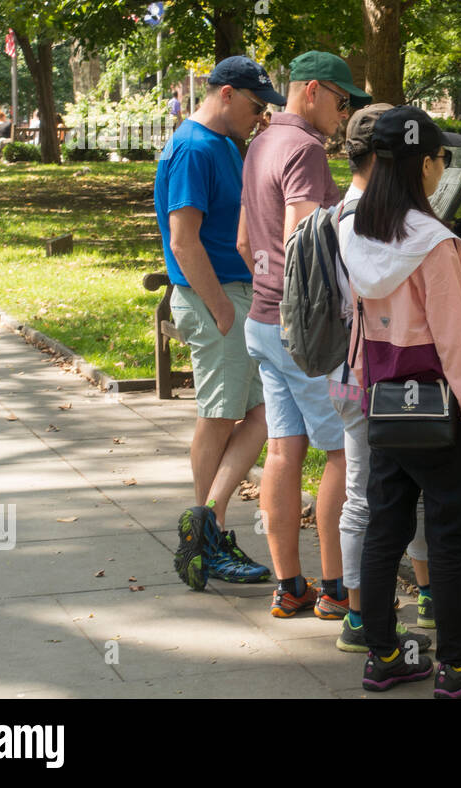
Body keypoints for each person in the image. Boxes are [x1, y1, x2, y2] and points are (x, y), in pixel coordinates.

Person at [344, 105, 461, 698]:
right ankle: (456, 666)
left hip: (383, 402)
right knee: (447, 535)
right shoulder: (435, 244)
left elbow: (359, 327)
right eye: (440, 157)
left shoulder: (356, 232)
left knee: (386, 528)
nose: (442, 168)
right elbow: (456, 339)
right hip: (438, 409)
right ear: (422, 165)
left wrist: (363, 392)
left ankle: (383, 654)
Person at [238, 50, 369, 619]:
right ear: (312, 91)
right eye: (342, 102)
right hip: (306, 335)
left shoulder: (261, 142)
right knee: (341, 450)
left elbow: (247, 242)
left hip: (263, 323)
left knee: (283, 450)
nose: (344, 115)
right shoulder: (306, 149)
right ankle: (337, 589)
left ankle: (290, 586)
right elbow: (303, 245)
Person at [154, 55, 283, 591]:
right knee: (220, 415)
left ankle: (207, 521)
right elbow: (183, 240)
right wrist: (222, 307)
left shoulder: (224, 144)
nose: (260, 118)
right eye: (256, 107)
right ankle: (206, 537)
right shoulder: (194, 147)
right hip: (215, 299)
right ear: (226, 94)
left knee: (259, 415)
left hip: (234, 295)